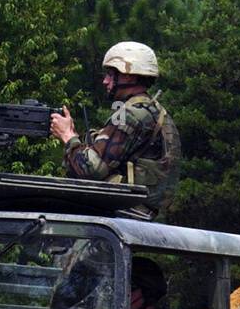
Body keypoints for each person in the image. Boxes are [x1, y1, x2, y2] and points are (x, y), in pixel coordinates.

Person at [50, 42, 181, 220]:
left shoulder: (131, 115)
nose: (105, 81)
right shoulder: (152, 110)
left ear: (129, 76)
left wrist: (68, 136)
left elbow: (92, 171)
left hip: (125, 214)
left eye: (111, 75)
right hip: (140, 214)